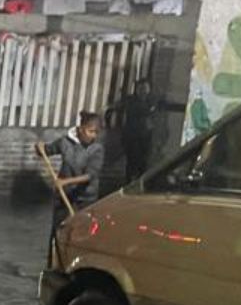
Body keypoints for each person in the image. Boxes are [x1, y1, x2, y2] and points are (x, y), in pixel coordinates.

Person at [36, 111, 106, 240]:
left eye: (96, 132)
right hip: (64, 194)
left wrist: (65, 181)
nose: (93, 135)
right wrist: (40, 149)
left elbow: (90, 175)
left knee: (82, 233)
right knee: (59, 230)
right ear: (80, 129)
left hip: (85, 198)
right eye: (90, 131)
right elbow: (48, 150)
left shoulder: (97, 148)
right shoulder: (65, 142)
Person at [109, 79, 157, 181]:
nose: (143, 91)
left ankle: (140, 180)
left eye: (145, 88)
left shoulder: (152, 100)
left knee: (143, 161)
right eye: (140, 88)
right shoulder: (131, 100)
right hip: (132, 136)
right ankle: (129, 181)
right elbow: (119, 106)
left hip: (145, 136)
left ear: (149, 89)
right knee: (131, 160)